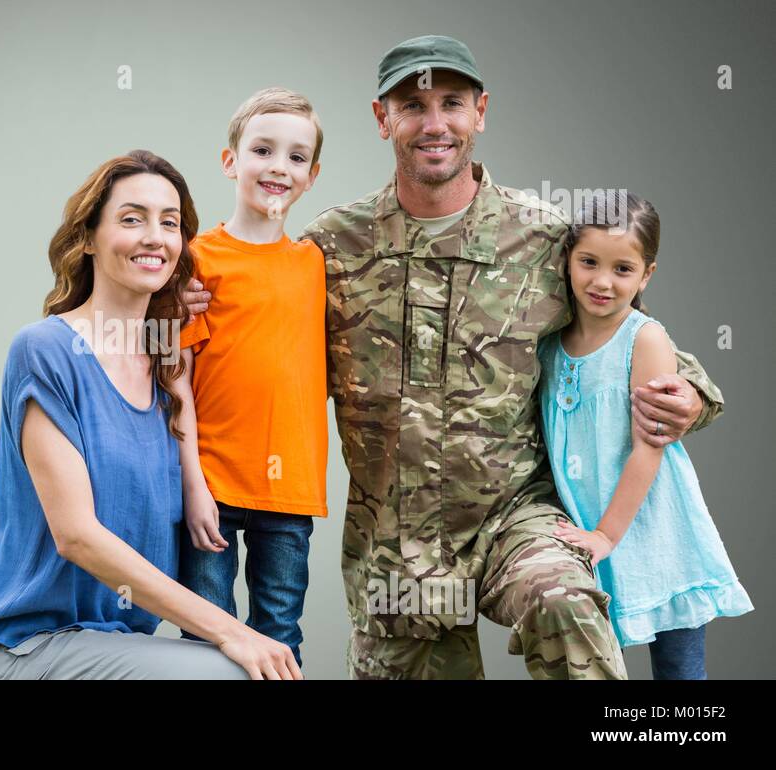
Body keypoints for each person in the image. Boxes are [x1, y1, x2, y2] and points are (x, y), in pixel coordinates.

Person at [185, 35, 725, 679]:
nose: (434, 123)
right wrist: (181, 296)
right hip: (396, 549)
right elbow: (255, 323)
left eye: (452, 102)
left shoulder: (544, 236)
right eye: (412, 106)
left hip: (514, 523)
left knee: (566, 602)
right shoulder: (332, 247)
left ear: (481, 112)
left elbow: (626, 324)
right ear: (383, 119)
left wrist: (689, 390)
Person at [0, 150, 301, 679]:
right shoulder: (47, 351)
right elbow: (77, 536)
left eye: (170, 223)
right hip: (24, 647)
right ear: (87, 237)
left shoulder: (167, 372)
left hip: (118, 647)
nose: (154, 237)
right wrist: (233, 631)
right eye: (132, 219)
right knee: (232, 674)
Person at [539, 191, 752, 680]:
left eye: (622, 270)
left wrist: (606, 534)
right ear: (567, 259)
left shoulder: (645, 338)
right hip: (589, 518)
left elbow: (649, 449)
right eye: (588, 262)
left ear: (646, 275)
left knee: (679, 669)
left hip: (655, 528)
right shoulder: (551, 339)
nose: (601, 282)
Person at [173, 87, 328, 668]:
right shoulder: (195, 262)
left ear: (311, 176)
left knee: (280, 639)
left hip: (289, 491)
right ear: (230, 160)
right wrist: (192, 486)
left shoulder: (315, 263)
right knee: (207, 642)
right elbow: (176, 381)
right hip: (210, 479)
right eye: (263, 150)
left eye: (295, 157)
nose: (277, 167)